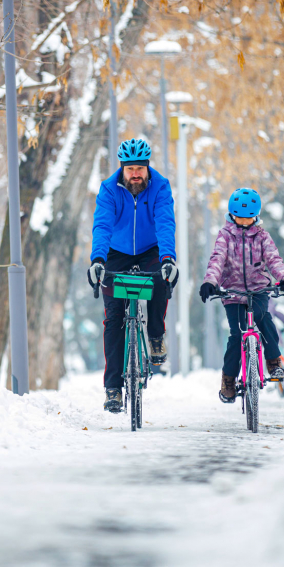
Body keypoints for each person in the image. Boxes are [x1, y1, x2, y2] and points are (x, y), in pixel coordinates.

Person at [88, 139, 178, 413]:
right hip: (116, 252)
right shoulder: (108, 189)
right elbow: (102, 224)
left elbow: (165, 222)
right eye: (130, 170)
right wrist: (98, 260)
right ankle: (113, 389)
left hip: (151, 250)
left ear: (148, 168)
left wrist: (168, 259)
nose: (136, 174)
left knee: (160, 280)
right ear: (122, 169)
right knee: (114, 318)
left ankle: (155, 336)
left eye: (140, 168)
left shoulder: (160, 187)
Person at [198, 188, 284, 404]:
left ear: (256, 216)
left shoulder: (263, 237)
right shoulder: (225, 236)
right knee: (237, 335)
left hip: (259, 290)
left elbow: (274, 259)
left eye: (248, 217)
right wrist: (210, 282)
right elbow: (217, 259)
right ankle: (228, 380)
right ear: (231, 215)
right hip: (232, 293)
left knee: (265, 321)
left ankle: (273, 362)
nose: (244, 222)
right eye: (239, 217)